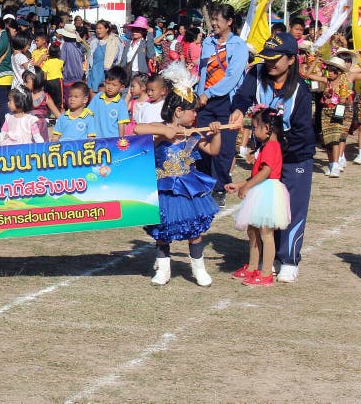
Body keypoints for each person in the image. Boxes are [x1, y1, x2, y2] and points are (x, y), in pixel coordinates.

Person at [229, 33, 315, 283]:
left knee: (293, 209)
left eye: (275, 59)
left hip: (295, 157)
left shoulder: (301, 91)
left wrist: (272, 150)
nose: (269, 64)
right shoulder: (256, 74)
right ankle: (270, 257)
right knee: (267, 207)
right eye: (266, 58)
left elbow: (301, 133)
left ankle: (289, 259)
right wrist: (237, 111)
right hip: (267, 153)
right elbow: (243, 98)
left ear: (291, 59)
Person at [134, 62, 223, 286]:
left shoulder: (193, 133)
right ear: (179, 111)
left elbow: (213, 150)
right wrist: (164, 132)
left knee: (194, 231)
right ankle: (163, 270)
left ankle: (199, 269)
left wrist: (217, 133)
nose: (196, 115)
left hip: (188, 189)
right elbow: (137, 129)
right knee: (163, 233)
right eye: (193, 110)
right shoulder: (161, 128)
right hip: (164, 188)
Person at [225, 107, 291, 287]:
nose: (253, 131)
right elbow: (256, 172)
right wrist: (239, 184)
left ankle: (266, 272)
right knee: (253, 231)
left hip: (267, 191)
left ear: (267, 128)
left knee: (265, 233)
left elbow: (267, 172)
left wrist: (247, 186)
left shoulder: (272, 146)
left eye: (255, 128)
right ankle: (252, 267)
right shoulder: (265, 147)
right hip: (260, 190)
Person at [195, 4, 249, 207]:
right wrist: (199, 93)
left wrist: (208, 93)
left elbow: (233, 77)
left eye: (218, 19)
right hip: (205, 101)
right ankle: (203, 184)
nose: (214, 23)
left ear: (229, 22)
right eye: (213, 19)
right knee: (202, 141)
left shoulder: (239, 46)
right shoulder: (208, 43)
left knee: (224, 147)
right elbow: (202, 72)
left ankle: (220, 189)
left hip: (226, 101)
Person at [303, 51, 361, 177]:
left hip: (343, 110)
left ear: (338, 71)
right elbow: (308, 75)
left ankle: (337, 162)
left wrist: (360, 62)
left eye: (331, 70)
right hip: (327, 111)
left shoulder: (349, 76)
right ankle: (333, 163)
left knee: (339, 137)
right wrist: (317, 60)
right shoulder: (327, 80)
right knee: (328, 139)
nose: (329, 72)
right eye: (328, 69)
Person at [88, 66, 130, 138]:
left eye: (114, 85)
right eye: (108, 83)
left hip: (112, 141)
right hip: (96, 139)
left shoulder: (121, 104)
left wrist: (121, 140)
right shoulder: (98, 97)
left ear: (122, 87)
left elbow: (121, 125)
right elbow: (88, 114)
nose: (110, 87)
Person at [22, 68, 61, 141]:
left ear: (36, 80)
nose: (24, 84)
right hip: (27, 128)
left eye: (26, 82)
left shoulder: (45, 97)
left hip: (41, 129)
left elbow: (58, 114)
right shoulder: (25, 95)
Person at [56, 24, 85, 106]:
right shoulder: (79, 46)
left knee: (70, 101)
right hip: (79, 77)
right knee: (78, 100)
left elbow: (62, 61)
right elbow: (82, 59)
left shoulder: (65, 45)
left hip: (69, 77)